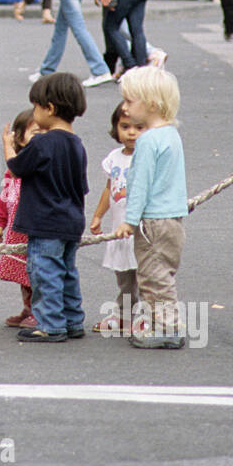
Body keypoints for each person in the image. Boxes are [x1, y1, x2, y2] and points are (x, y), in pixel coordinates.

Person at [7, 72, 89, 343]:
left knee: (45, 274)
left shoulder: (41, 143)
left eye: (36, 107)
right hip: (71, 220)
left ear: (50, 108)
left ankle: (51, 324)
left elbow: (17, 168)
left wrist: (8, 146)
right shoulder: (77, 144)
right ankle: (72, 319)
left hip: (45, 222)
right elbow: (81, 187)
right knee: (67, 272)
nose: (35, 112)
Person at [112, 65, 188, 349]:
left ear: (152, 105)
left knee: (152, 276)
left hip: (153, 221)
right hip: (174, 218)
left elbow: (139, 185)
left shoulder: (147, 141)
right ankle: (161, 325)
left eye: (130, 101)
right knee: (163, 273)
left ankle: (167, 328)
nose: (125, 107)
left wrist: (129, 221)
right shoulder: (171, 135)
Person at [89, 102, 144, 335]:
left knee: (145, 276)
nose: (131, 132)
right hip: (119, 230)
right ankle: (123, 314)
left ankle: (146, 316)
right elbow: (108, 189)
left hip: (142, 231)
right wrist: (98, 215)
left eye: (139, 127)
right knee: (124, 278)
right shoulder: (113, 158)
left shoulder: (146, 156)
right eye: (125, 126)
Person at [0, 108, 41, 329]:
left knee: (35, 272)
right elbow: (6, 196)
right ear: (20, 137)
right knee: (23, 274)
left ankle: (39, 311)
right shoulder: (14, 167)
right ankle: (28, 307)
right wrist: (0, 221)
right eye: (34, 132)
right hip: (16, 229)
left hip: (32, 228)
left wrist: (7, 148)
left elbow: (16, 171)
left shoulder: (35, 164)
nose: (40, 137)